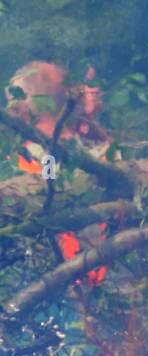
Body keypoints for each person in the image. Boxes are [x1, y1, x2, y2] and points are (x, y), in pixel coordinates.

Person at [6, 61, 111, 287]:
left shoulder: (17, 163)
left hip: (51, 290)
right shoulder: (99, 154)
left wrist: (88, 122)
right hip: (96, 286)